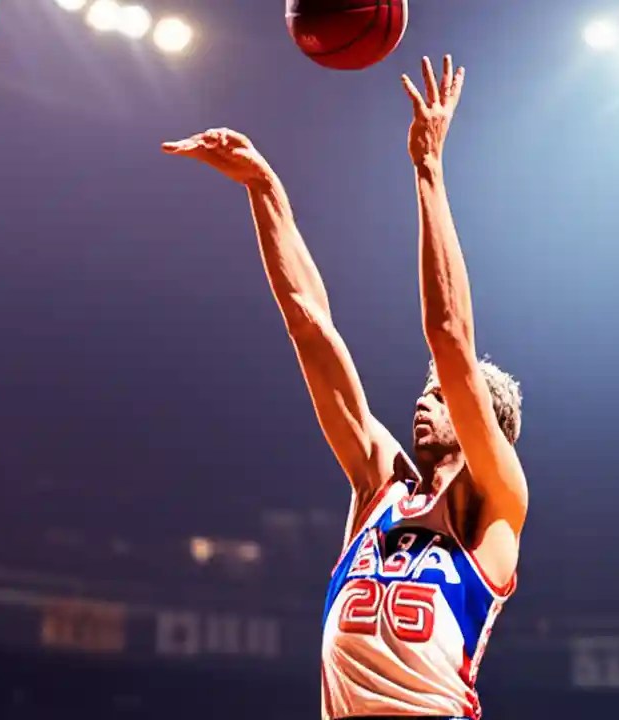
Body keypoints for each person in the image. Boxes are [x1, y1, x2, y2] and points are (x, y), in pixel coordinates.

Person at [164, 53, 527, 720]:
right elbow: (310, 327)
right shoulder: (378, 485)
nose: (425, 396)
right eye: (427, 389)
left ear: (490, 425)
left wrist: (428, 169)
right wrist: (265, 189)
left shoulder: (495, 500)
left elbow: (449, 336)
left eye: (444, 395)